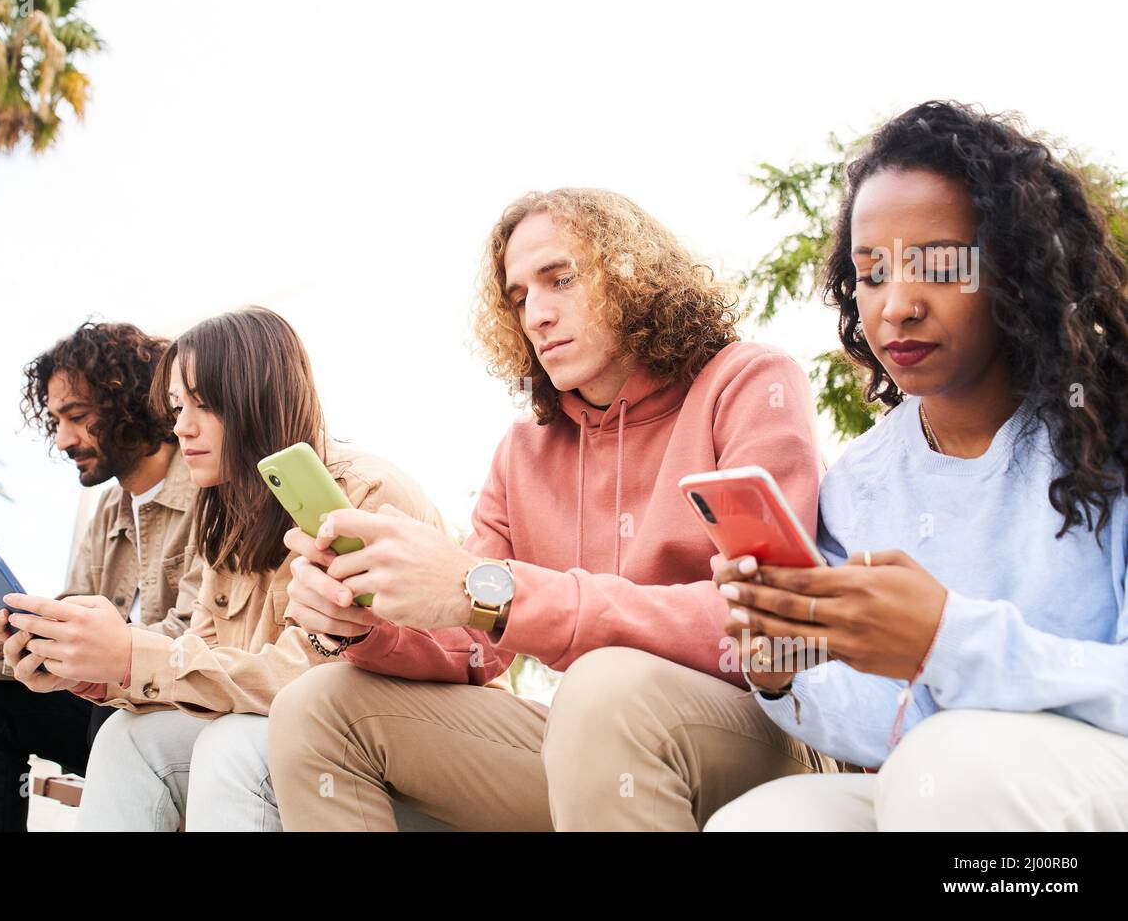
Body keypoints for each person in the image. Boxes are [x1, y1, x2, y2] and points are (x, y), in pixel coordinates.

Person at [268, 187, 841, 831]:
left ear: (633, 276)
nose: (536, 314)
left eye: (559, 280)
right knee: (315, 707)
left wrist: (495, 591)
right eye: (518, 298)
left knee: (603, 688)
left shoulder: (746, 383)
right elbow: (472, 643)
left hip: (767, 738)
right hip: (594, 743)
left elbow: (768, 617)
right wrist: (364, 623)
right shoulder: (522, 453)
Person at [704, 101, 1128, 831]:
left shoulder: (1108, 430)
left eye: (937, 267)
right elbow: (883, 726)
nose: (896, 306)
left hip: (1091, 772)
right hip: (938, 791)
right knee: (762, 823)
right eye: (871, 274)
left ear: (1017, 272)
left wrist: (946, 639)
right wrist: (784, 667)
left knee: (954, 764)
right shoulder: (864, 480)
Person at [0, 307, 461, 831]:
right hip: (287, 742)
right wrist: (96, 672)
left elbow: (312, 677)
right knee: (127, 738)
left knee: (234, 745)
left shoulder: (366, 493)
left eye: (205, 404)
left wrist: (130, 654)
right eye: (175, 406)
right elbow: (205, 657)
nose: (181, 426)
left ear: (259, 400)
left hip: (401, 765)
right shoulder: (229, 512)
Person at [0, 321, 201, 831]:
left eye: (76, 417)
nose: (62, 440)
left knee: (114, 710)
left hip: (175, 716)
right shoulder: (109, 508)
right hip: (111, 709)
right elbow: (70, 650)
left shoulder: (206, 492)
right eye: (56, 420)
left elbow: (191, 650)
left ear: (128, 402)